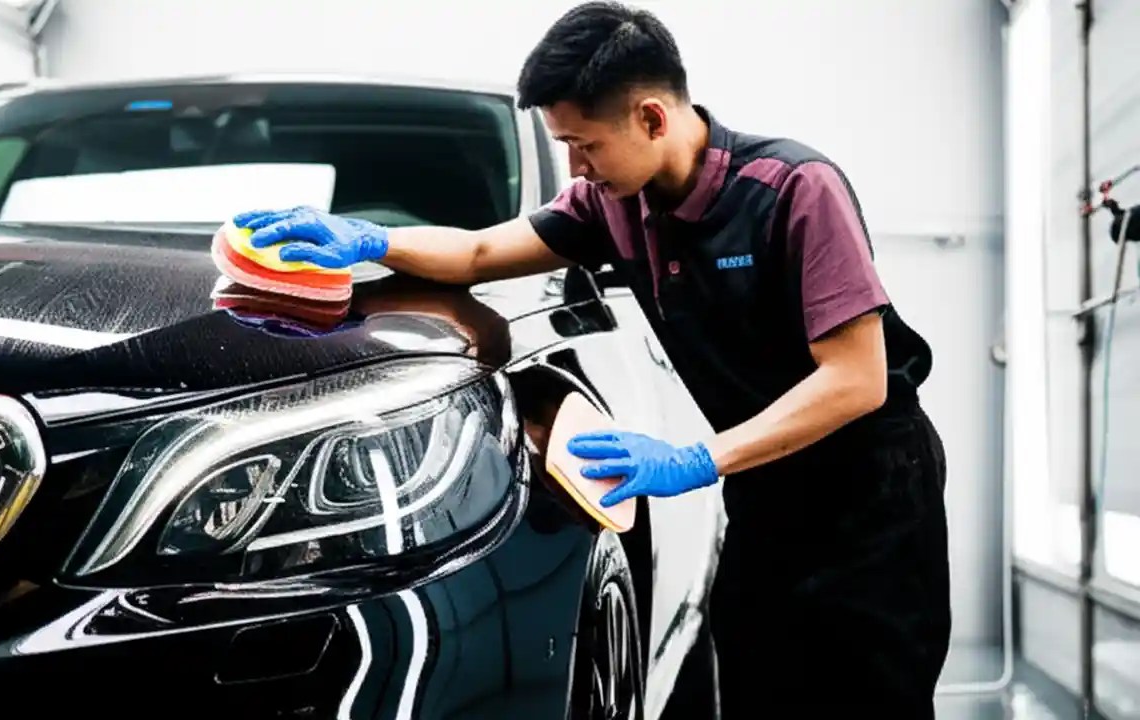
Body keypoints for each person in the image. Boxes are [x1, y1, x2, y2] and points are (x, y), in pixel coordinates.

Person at [232, 1, 951, 715]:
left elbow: (854, 383)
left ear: (651, 118)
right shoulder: (613, 204)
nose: (575, 166)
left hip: (868, 488)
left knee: (866, 694)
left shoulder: (793, 190)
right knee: (762, 687)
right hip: (763, 487)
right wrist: (370, 241)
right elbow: (482, 252)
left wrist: (691, 461)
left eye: (585, 145)